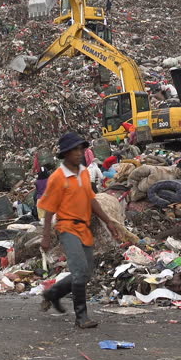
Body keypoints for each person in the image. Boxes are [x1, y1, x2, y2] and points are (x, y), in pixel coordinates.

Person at [38, 133, 124, 329]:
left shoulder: (85, 173)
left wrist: (109, 222)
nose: (80, 153)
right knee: (78, 271)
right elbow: (49, 209)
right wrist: (45, 237)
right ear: (65, 153)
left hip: (83, 227)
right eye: (75, 150)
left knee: (85, 274)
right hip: (66, 227)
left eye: (81, 149)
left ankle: (53, 293)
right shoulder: (57, 178)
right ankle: (81, 317)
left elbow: (92, 200)